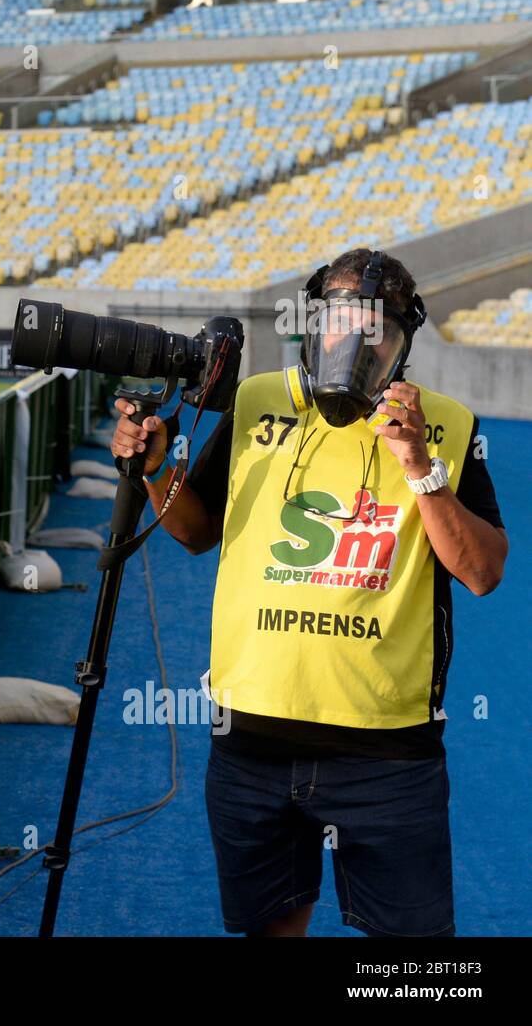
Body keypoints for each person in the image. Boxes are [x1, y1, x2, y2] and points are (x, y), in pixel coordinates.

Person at [111, 248, 506, 938]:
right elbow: (196, 528)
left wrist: (419, 466)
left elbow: (481, 571)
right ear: (311, 324)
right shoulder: (259, 399)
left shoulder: (447, 424)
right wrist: (151, 472)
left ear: (403, 339)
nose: (354, 342)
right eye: (339, 320)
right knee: (270, 930)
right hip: (250, 741)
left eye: (375, 328)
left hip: (389, 752)